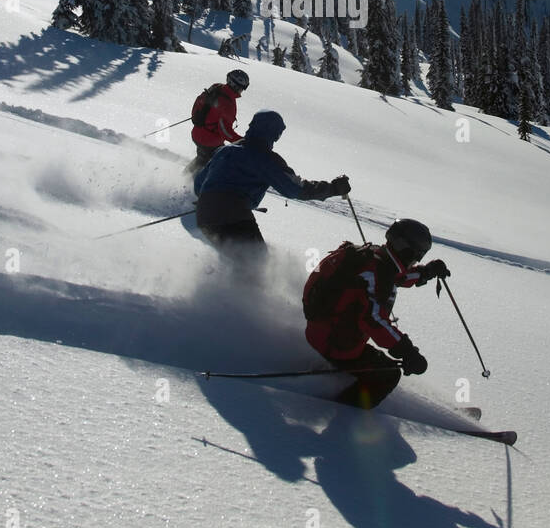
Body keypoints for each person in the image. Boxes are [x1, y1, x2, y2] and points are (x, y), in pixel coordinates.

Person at [303, 219, 450, 409]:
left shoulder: (372, 256)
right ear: (408, 251)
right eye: (418, 256)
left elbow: (397, 277)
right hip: (336, 344)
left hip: (321, 329)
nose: (416, 260)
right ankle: (346, 413)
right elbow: (375, 321)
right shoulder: (376, 274)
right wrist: (407, 351)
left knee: (378, 361)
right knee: (388, 375)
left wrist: (426, 273)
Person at [194, 110, 350, 249]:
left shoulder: (225, 150)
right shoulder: (265, 158)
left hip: (204, 214)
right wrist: (333, 188)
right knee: (257, 265)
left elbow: (198, 184)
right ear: (273, 133)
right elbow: (295, 189)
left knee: (236, 264)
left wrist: (213, 199)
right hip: (234, 215)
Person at [188, 70, 249, 172]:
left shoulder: (217, 87)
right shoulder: (228, 103)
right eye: (241, 88)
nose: (241, 91)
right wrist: (242, 141)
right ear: (235, 86)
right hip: (209, 140)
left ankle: (185, 177)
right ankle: (192, 183)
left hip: (197, 132)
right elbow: (225, 131)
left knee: (202, 158)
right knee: (219, 163)